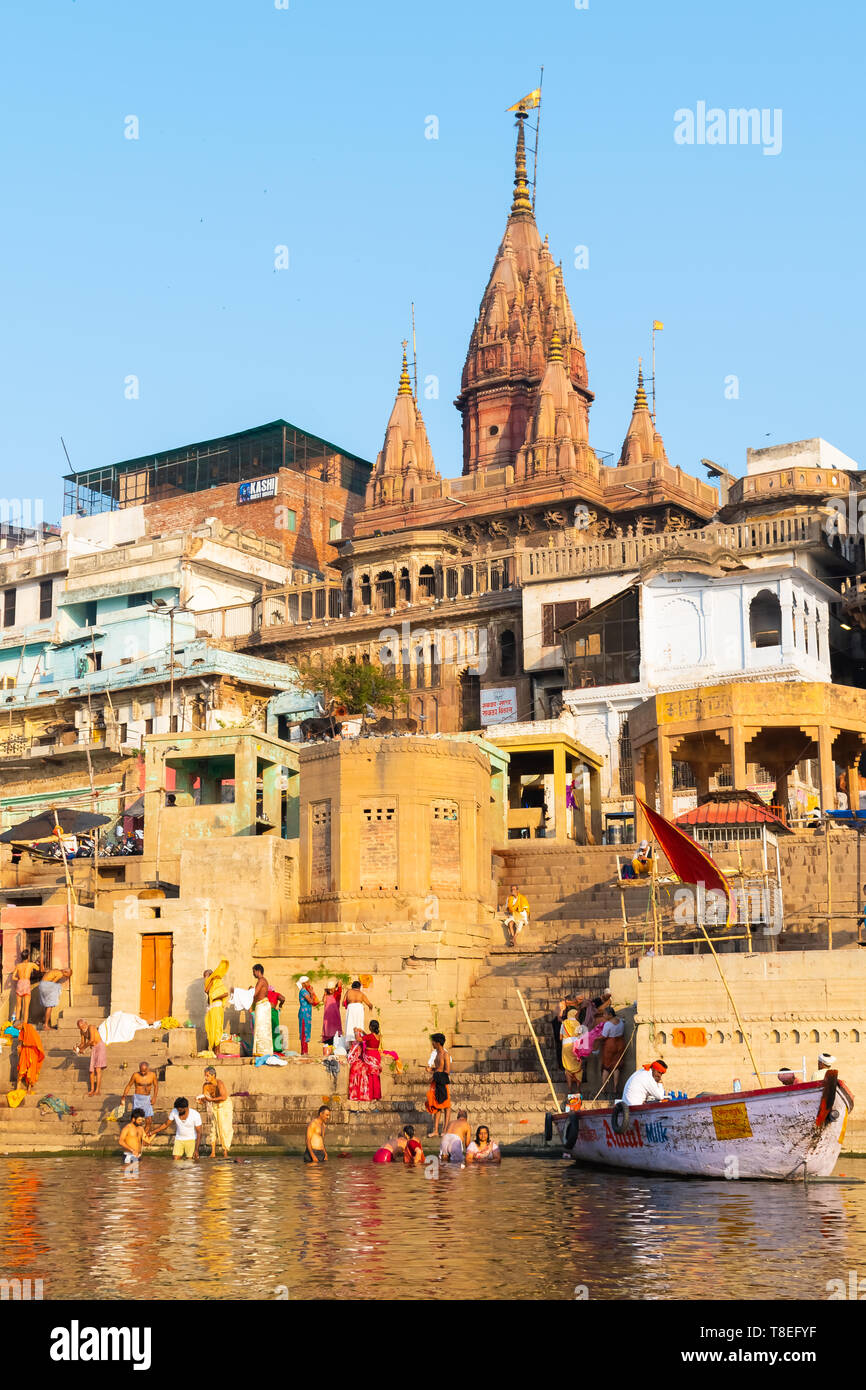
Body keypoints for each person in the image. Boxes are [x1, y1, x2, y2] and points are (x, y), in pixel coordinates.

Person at [199, 1066, 234, 1158]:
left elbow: (224, 1097)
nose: (205, 1078)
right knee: (213, 1128)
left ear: (213, 1075)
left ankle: (225, 1152)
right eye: (205, 1076)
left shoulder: (219, 1083)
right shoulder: (205, 1085)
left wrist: (211, 1099)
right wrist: (201, 1101)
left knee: (224, 1128)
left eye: (207, 1076)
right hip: (214, 1105)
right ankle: (213, 1152)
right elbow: (205, 1098)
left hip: (224, 1105)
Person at [347, 1018, 383, 1104]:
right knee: (375, 1075)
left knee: (370, 1075)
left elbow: (359, 1039)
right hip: (376, 1055)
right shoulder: (378, 1036)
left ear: (370, 1027)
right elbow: (369, 1038)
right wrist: (363, 1031)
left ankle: (371, 1095)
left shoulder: (370, 1036)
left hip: (370, 1055)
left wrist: (355, 1031)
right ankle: (377, 1095)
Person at [425, 1032, 452, 1137]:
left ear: (438, 1043)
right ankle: (436, 1130)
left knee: (446, 1106)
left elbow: (447, 1071)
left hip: (442, 1082)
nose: (432, 1044)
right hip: (436, 1082)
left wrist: (435, 1075)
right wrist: (430, 1069)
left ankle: (445, 1130)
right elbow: (437, 1069)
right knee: (437, 1106)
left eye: (433, 1042)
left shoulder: (446, 1055)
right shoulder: (436, 1055)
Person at [122, 1060, 159, 1135]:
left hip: (147, 1099)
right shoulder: (135, 1075)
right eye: (141, 1071)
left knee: (149, 1120)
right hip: (138, 1099)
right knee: (136, 1120)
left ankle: (143, 1138)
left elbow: (156, 1086)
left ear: (148, 1069)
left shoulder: (152, 1075)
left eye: (144, 1071)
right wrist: (123, 1096)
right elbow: (129, 1085)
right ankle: (134, 1136)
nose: (142, 1073)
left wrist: (154, 1097)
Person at [203, 960, 230, 1055]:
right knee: (210, 1029)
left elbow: (225, 993)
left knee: (217, 1029)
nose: (205, 978)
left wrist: (215, 997)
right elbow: (206, 991)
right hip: (210, 1009)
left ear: (210, 975)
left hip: (217, 1007)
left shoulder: (217, 981)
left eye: (206, 976)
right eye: (204, 976)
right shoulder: (209, 985)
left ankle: (218, 1052)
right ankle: (214, 1051)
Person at [77, 1018, 107, 1095]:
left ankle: (97, 1090)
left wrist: (83, 1048)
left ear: (86, 1023)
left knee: (97, 1069)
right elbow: (83, 1043)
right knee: (91, 1070)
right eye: (80, 1027)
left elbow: (91, 1040)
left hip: (100, 1046)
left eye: (83, 1026)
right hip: (93, 1048)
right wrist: (77, 1048)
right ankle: (92, 1089)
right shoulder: (82, 1031)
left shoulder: (91, 1027)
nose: (82, 1028)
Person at [600, 1007, 627, 1096]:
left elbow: (604, 1036)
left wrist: (595, 1038)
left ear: (610, 1015)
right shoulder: (621, 1022)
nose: (604, 1015)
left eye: (605, 1014)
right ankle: (615, 1088)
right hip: (620, 1044)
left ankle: (603, 1089)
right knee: (616, 1066)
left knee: (606, 1066)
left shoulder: (608, 1024)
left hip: (610, 1045)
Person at [11, 949, 39, 1025]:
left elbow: (13, 977)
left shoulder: (18, 965)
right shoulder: (31, 964)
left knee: (18, 1006)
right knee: (26, 1007)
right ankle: (25, 1024)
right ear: (28, 956)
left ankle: (16, 1023)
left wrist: (19, 979)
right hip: (26, 983)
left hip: (20, 983)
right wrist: (37, 962)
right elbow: (38, 968)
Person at [559, 1009, 584, 1091]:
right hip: (576, 1047)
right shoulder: (578, 1024)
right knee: (578, 1067)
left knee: (568, 1067)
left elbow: (560, 1037)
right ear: (575, 1015)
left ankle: (569, 1089)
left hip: (566, 1046)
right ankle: (578, 1088)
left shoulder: (564, 1023)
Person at [16, 1023, 45, 1093]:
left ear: (19, 1025)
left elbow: (34, 1040)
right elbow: (20, 1041)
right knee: (21, 1068)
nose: (17, 1029)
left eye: (16, 1027)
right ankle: (17, 1088)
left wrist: (26, 1043)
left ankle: (29, 1089)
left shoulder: (29, 1027)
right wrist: (19, 1047)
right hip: (24, 1051)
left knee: (31, 1070)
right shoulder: (22, 1031)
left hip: (33, 1051)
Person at [251, 963, 272, 1057]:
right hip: (261, 1006)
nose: (253, 974)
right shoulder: (262, 981)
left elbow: (255, 993)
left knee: (261, 1028)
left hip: (262, 1006)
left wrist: (249, 990)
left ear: (258, 971)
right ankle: (261, 1051)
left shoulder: (261, 981)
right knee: (261, 1028)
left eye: (253, 971)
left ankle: (262, 1051)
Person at [343, 980, 372, 1045]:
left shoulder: (348, 992)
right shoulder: (361, 994)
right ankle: (359, 1044)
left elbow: (343, 1002)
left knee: (350, 1025)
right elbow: (369, 1004)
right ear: (359, 987)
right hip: (359, 1009)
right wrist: (371, 1008)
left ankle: (350, 1045)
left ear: (352, 986)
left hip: (351, 1008)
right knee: (359, 1024)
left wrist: (348, 1003)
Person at [296, 976, 319, 1056]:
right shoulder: (303, 991)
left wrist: (311, 993)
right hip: (304, 1013)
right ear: (303, 983)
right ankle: (304, 1051)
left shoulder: (306, 991)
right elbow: (310, 1001)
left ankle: (305, 1051)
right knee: (304, 1031)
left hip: (307, 1013)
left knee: (307, 1031)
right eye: (307, 982)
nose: (309, 983)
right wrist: (312, 992)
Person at [321, 981, 343, 1051]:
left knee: (335, 1035)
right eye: (329, 989)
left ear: (334, 988)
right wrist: (325, 993)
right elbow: (323, 1001)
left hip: (335, 1018)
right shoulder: (326, 996)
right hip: (327, 1019)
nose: (330, 990)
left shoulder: (336, 995)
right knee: (328, 1035)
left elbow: (339, 989)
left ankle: (334, 1050)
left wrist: (338, 985)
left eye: (332, 989)